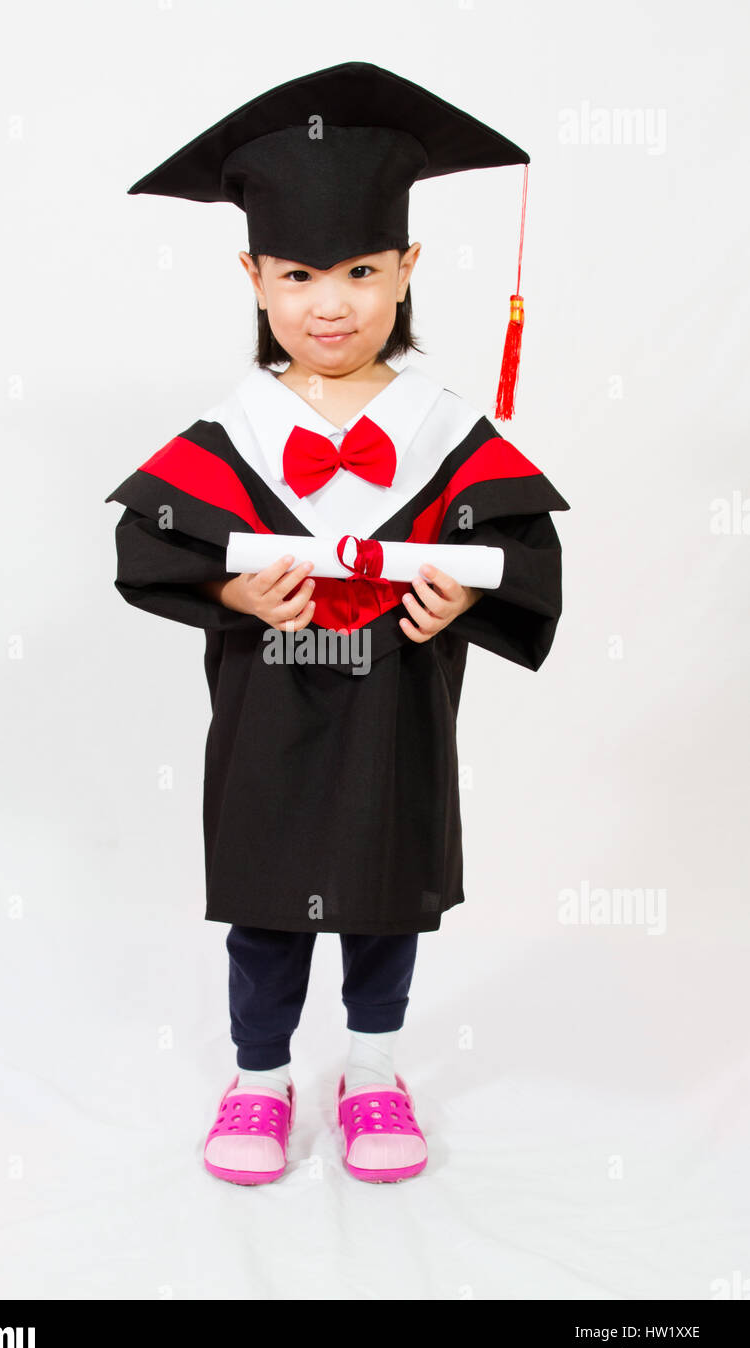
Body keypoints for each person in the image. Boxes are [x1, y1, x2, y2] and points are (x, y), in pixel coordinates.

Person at [106, 61, 570, 1185]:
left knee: (381, 902)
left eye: (362, 271)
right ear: (254, 274)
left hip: (395, 714)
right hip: (267, 720)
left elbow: (524, 551)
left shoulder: (444, 427)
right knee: (265, 910)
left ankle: (372, 1074)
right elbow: (147, 543)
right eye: (300, 272)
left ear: (406, 268)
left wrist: (466, 588)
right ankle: (257, 1081)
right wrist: (224, 590)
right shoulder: (232, 430)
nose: (331, 302)